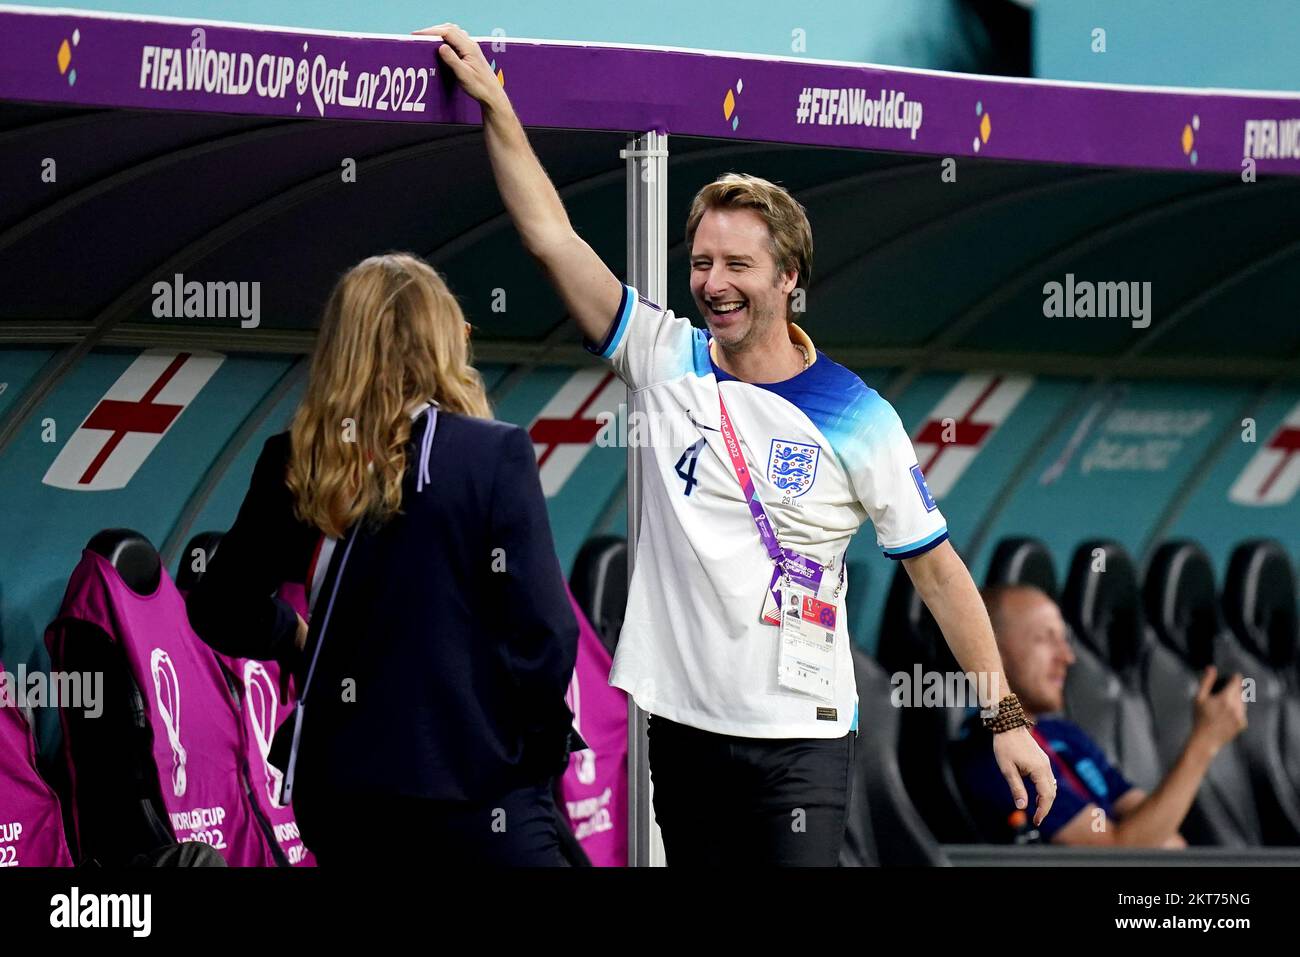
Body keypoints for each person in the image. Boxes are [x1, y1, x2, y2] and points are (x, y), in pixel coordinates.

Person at [425, 23, 1054, 866]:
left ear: (790, 277)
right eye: (701, 263)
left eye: (738, 266)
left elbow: (937, 571)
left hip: (802, 742)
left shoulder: (857, 414)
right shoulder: (664, 355)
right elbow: (553, 239)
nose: (713, 284)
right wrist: (498, 105)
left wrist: (1004, 716)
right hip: (684, 734)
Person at [186, 253, 579, 866]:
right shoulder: (490, 454)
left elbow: (219, 605)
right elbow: (547, 633)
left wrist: (292, 634)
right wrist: (529, 756)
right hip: (475, 790)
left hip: (342, 798)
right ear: (441, 341)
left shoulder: (295, 460)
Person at [953, 584, 1248, 846]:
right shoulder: (996, 755)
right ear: (991, 652)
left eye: (1064, 639)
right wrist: (1203, 743)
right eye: (1045, 639)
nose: (1067, 657)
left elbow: (1159, 829)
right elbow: (1115, 852)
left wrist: (1146, 834)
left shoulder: (1063, 734)